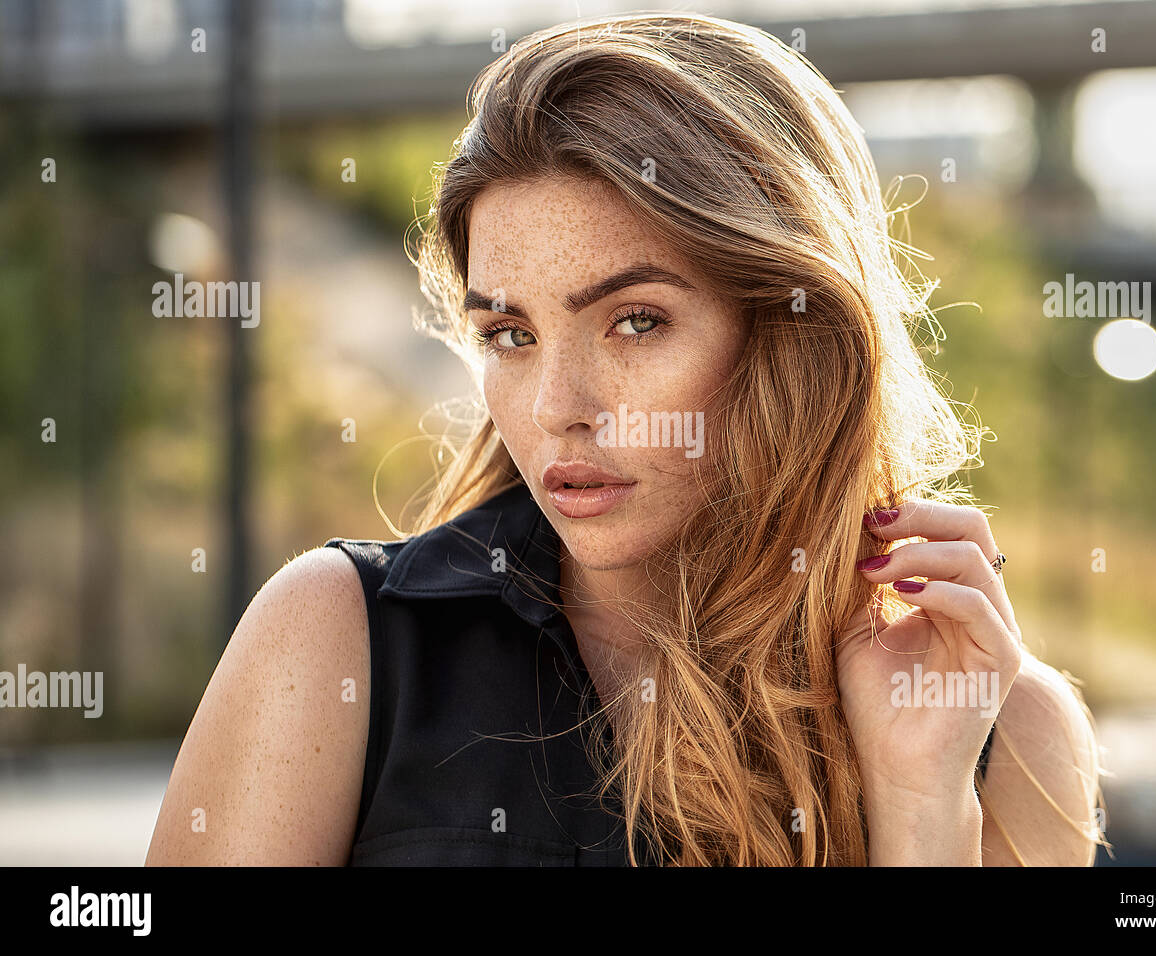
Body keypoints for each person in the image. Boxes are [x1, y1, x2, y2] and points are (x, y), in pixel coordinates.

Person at [146, 11, 1104, 866]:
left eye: (635, 322)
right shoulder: (341, 645)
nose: (558, 405)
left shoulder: (1002, 729)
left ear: (792, 332)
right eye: (510, 335)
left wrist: (917, 806)